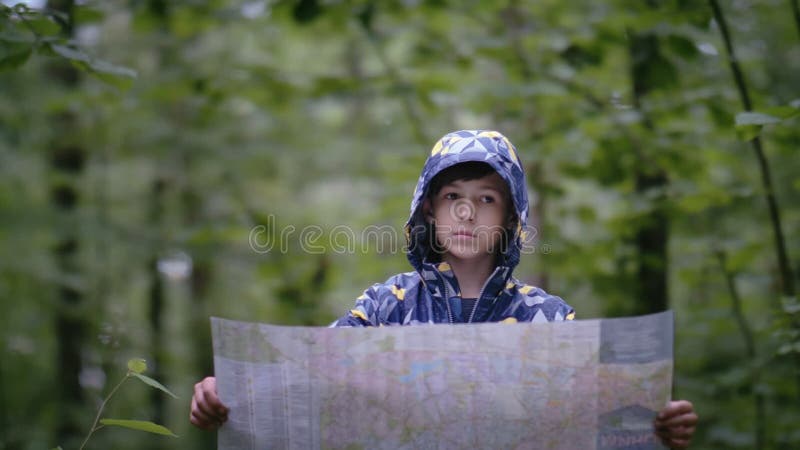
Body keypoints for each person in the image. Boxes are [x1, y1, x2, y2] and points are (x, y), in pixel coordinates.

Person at [191, 130, 698, 448]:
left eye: (487, 199)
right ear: (428, 212)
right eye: (452, 195)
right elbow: (306, 381)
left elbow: (596, 418)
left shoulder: (549, 319)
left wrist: (655, 424)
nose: (466, 212)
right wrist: (227, 394)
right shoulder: (384, 307)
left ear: (511, 218)